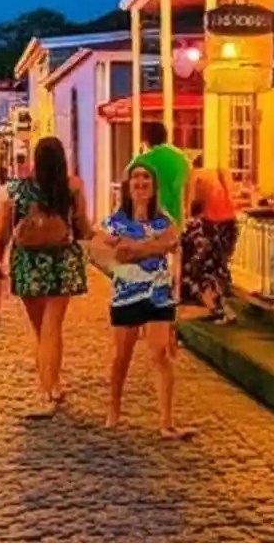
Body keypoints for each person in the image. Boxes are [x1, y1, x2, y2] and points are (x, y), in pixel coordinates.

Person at [0, 136, 90, 417]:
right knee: (52, 328)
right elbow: (82, 225)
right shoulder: (72, 187)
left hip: (28, 262)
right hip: (61, 261)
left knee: (40, 329)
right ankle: (51, 386)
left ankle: (47, 385)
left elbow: (6, 230)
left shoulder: (19, 189)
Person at [96, 164, 193, 437]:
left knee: (160, 354)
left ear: (153, 186)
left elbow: (169, 243)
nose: (140, 182)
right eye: (135, 177)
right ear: (128, 186)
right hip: (126, 295)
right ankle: (114, 409)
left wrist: (133, 247)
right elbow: (109, 252)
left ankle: (167, 420)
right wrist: (153, 246)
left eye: (146, 177)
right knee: (121, 357)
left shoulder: (165, 221)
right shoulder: (114, 221)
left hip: (158, 296)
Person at [182, 158, 240, 323]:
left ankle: (218, 309)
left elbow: (192, 204)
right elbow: (231, 195)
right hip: (229, 224)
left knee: (199, 270)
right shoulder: (220, 173)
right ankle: (222, 307)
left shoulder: (196, 177)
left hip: (212, 224)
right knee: (218, 268)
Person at [131, 122, 191, 228]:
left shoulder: (142, 161)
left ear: (147, 140)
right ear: (165, 137)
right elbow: (188, 189)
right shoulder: (181, 159)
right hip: (175, 218)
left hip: (149, 219)